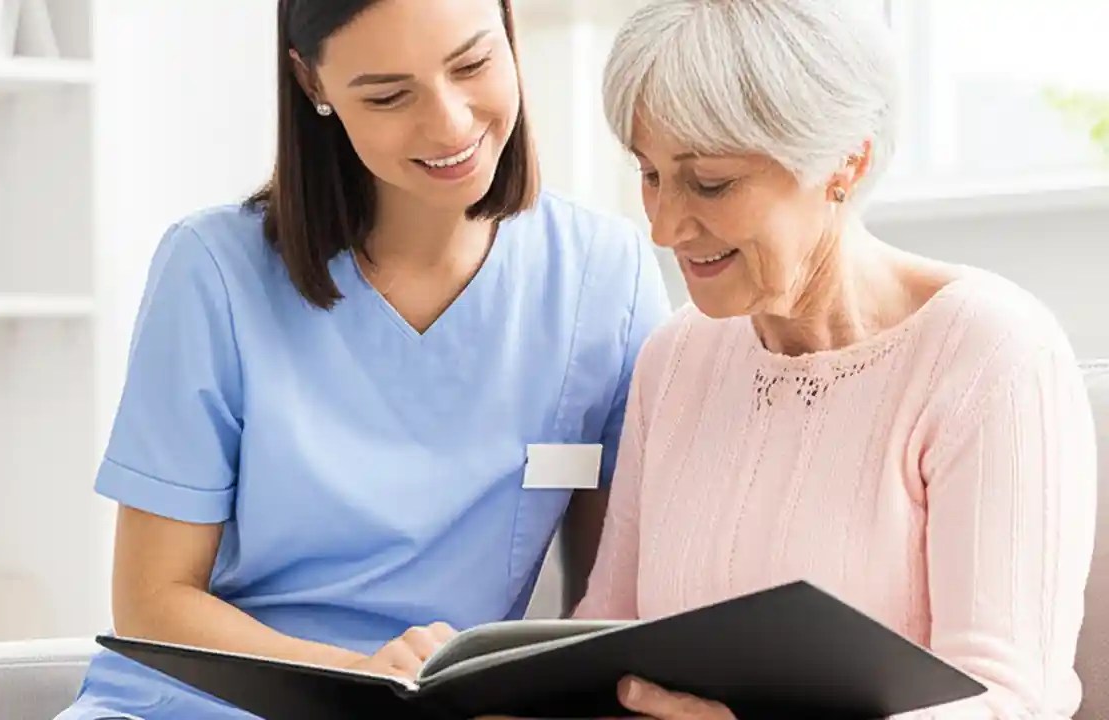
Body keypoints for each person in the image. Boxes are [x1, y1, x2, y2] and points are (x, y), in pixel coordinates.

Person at [55, 0, 671, 718]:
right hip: (203, 699)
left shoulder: (606, 277)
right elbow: (152, 600)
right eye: (389, 95)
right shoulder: (213, 271)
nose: (448, 123)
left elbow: (612, 600)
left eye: (472, 64)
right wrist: (362, 676)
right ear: (313, 84)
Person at [485, 0, 1099, 718]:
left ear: (847, 162)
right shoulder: (676, 357)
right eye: (650, 174)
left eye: (709, 182)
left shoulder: (991, 356)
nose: (662, 225)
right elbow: (609, 630)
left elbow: (1009, 701)